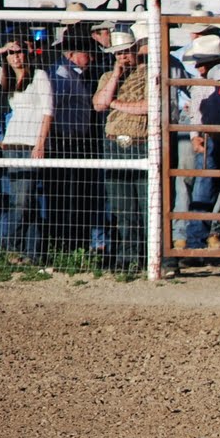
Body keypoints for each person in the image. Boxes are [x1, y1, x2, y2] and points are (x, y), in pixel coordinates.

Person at [91, 28, 150, 271]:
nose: (123, 58)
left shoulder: (149, 74)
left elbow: (147, 106)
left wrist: (114, 103)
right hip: (115, 143)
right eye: (118, 54)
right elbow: (97, 104)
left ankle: (150, 255)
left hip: (140, 142)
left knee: (147, 205)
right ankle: (129, 257)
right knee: (122, 207)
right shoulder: (107, 77)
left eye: (126, 52)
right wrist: (116, 75)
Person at [0, 36, 53, 261]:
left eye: (19, 52)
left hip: (30, 144)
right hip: (11, 143)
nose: (16, 57)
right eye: (12, 53)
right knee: (22, 199)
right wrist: (1, 49)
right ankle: (32, 254)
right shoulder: (6, 78)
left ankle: (12, 246)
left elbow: (48, 112)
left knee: (24, 199)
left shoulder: (39, 76)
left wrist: (40, 143)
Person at [47, 31, 103, 254]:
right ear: (72, 54)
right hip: (66, 140)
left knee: (77, 193)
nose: (91, 57)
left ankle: (73, 242)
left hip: (77, 139)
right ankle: (66, 243)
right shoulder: (62, 74)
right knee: (67, 193)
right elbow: (52, 107)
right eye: (87, 53)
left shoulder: (74, 74)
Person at [183, 34, 220, 255]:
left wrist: (196, 134)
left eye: (201, 62)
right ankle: (206, 238)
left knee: (205, 191)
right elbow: (196, 111)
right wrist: (196, 134)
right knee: (219, 190)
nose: (198, 67)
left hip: (215, 137)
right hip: (218, 137)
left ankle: (196, 241)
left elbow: (196, 111)